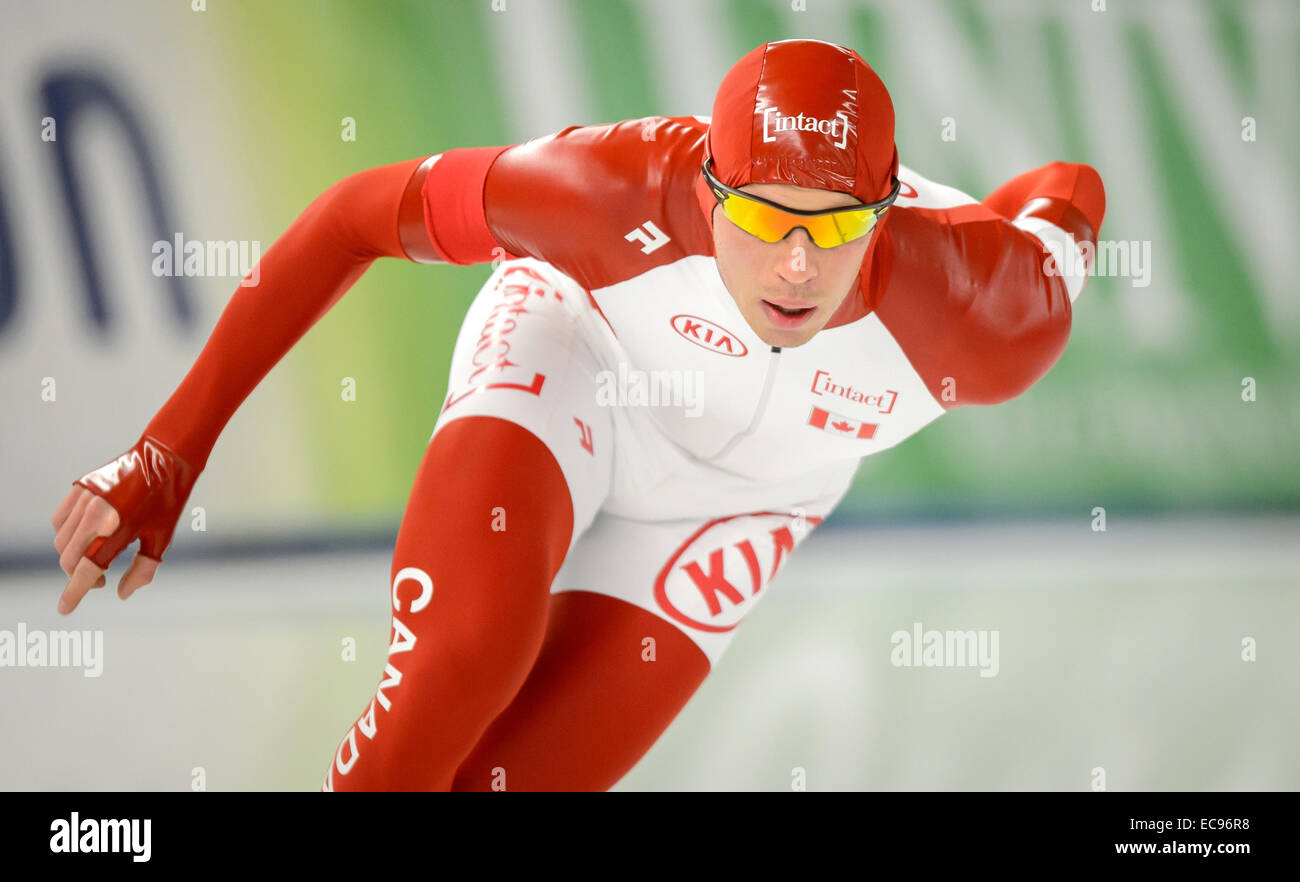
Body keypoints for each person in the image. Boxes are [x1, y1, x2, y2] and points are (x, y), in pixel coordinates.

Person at [49, 39, 1105, 791]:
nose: (794, 266)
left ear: (883, 216)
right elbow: (349, 220)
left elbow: (1069, 186)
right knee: (465, 656)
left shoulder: (987, 311)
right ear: (704, 189)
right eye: (759, 217)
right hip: (580, 353)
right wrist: (167, 448)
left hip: (747, 498)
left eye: (834, 229)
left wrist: (1032, 210)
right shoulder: (611, 192)